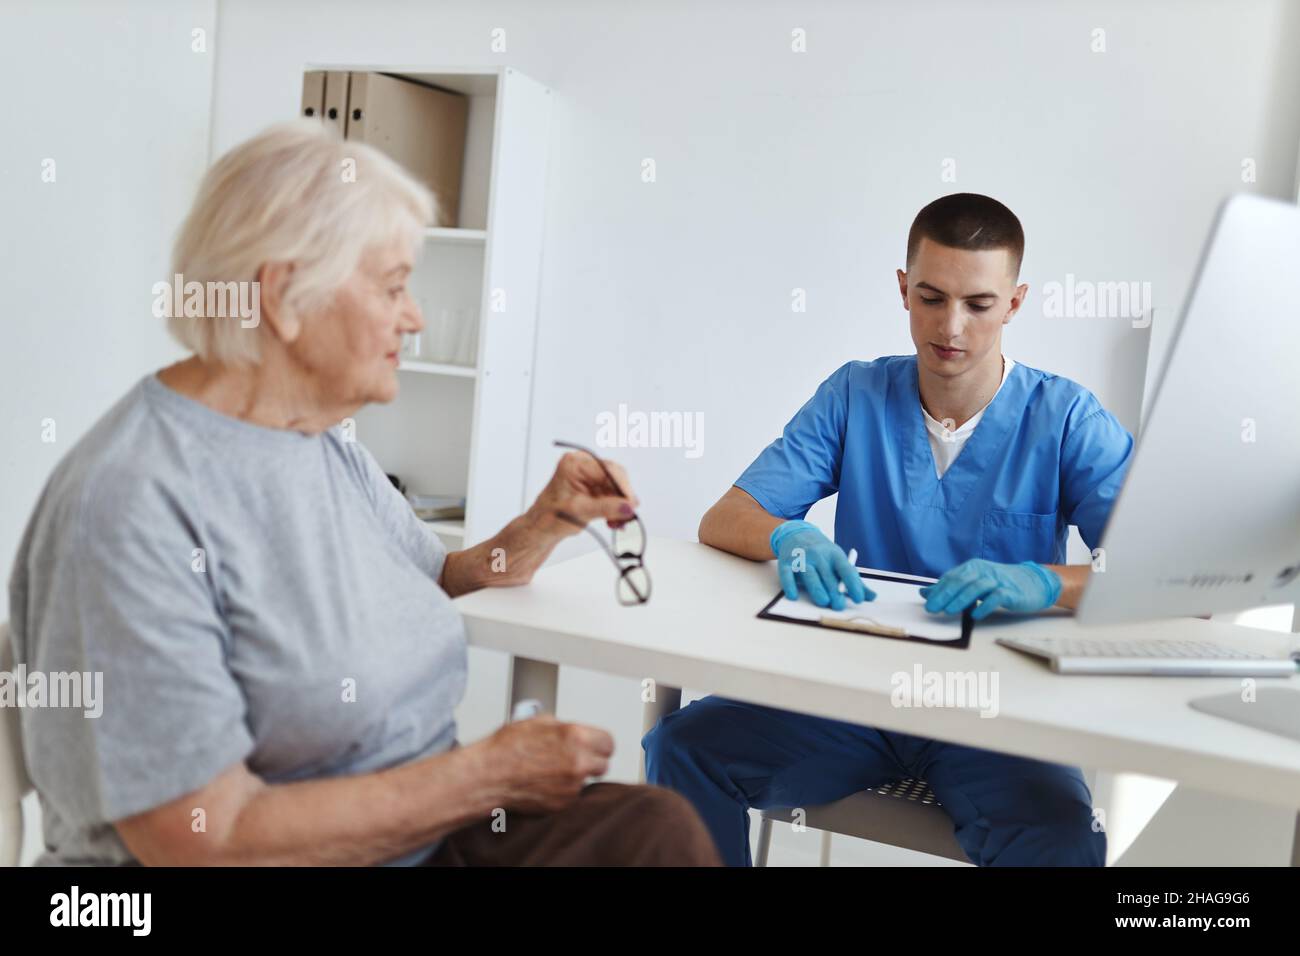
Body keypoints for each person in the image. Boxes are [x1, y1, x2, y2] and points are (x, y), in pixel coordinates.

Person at [8, 120, 718, 867]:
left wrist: (547, 522)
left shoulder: (320, 441)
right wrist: (485, 775)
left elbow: (442, 580)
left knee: (655, 832)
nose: (413, 316)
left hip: (416, 836)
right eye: (393, 286)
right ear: (282, 297)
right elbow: (204, 840)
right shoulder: (131, 501)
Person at [644, 193, 1132, 866]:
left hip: (993, 713)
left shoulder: (1067, 418)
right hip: (851, 695)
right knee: (684, 748)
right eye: (931, 297)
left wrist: (1043, 581)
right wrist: (790, 536)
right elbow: (726, 518)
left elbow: (1153, 574)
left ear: (1015, 303)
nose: (951, 325)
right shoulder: (855, 396)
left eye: (978, 304)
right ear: (903, 290)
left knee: (1064, 841)